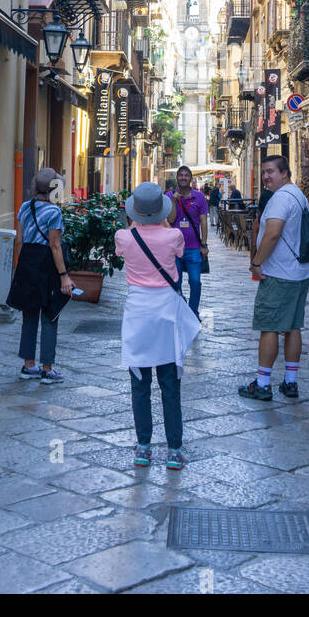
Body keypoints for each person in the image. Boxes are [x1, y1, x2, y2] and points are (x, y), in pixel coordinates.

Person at [115, 182, 202, 469]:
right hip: (165, 312)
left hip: (138, 314)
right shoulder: (174, 236)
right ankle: (174, 450)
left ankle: (143, 447)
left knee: (139, 385)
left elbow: (122, 248)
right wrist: (162, 222)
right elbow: (178, 255)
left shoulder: (123, 237)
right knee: (169, 385)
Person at [239, 153, 309, 401]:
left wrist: (257, 262)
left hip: (280, 273)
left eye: (270, 171)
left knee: (269, 327)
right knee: (293, 327)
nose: (265, 177)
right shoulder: (299, 195)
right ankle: (290, 382)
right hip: (299, 272)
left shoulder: (281, 198)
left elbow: (272, 234)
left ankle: (262, 383)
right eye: (264, 172)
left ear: (284, 173)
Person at [7, 168, 73, 384]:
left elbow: (19, 241)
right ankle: (47, 369)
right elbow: (55, 246)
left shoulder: (25, 207)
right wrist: (64, 276)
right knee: (50, 315)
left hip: (27, 261)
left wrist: (22, 266)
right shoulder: (54, 213)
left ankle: (28, 366)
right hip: (47, 265)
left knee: (29, 316)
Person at [166, 165, 210, 317]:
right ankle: (180, 309)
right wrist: (173, 201)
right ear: (177, 178)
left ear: (191, 179)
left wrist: (204, 244)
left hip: (193, 248)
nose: (183, 177)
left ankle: (192, 312)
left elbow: (204, 222)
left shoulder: (199, 197)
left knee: (195, 282)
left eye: (186, 175)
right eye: (181, 175)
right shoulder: (169, 196)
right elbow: (170, 219)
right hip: (173, 250)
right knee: (175, 284)